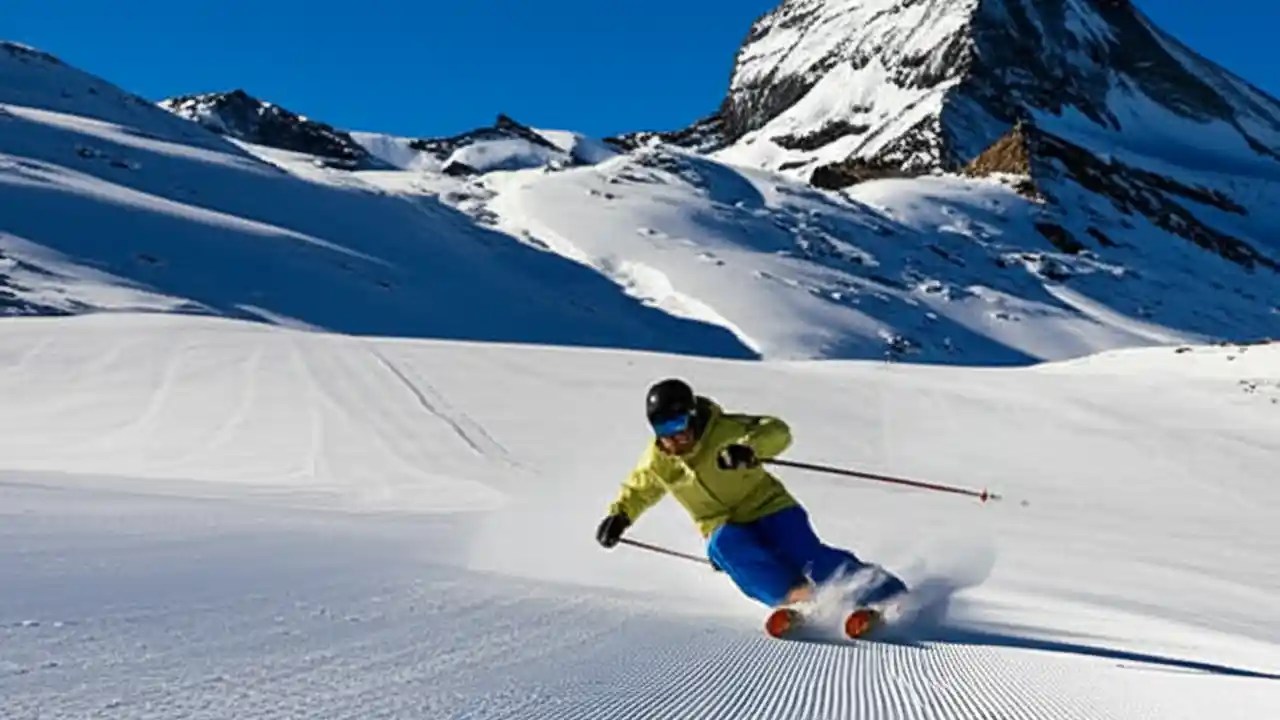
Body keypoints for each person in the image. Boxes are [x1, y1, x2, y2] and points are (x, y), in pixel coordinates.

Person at [595, 378, 906, 610]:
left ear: (692, 416)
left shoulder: (725, 430)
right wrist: (619, 516)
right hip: (721, 523)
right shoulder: (658, 461)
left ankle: (883, 593)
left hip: (769, 507)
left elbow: (777, 431)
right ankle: (796, 599)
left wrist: (748, 449)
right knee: (725, 547)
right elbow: (638, 489)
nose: (673, 436)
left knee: (803, 553)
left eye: (678, 423)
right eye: (663, 429)